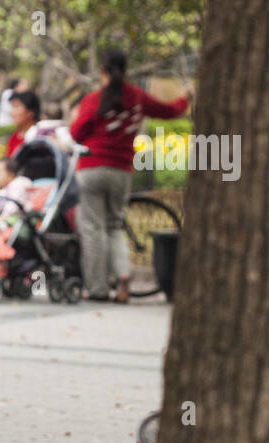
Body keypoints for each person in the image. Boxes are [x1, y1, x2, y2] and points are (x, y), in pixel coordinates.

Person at [69, 49, 191, 302]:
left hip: (91, 167)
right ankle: (123, 274)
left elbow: (77, 134)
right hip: (122, 171)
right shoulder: (136, 96)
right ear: (125, 70)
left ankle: (98, 288)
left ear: (102, 70)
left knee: (93, 228)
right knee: (114, 226)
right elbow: (169, 111)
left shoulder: (94, 99)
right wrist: (186, 98)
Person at [5, 88, 40, 160]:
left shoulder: (38, 137)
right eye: (12, 107)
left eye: (16, 107)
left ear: (31, 112)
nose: (12, 113)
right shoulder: (15, 136)